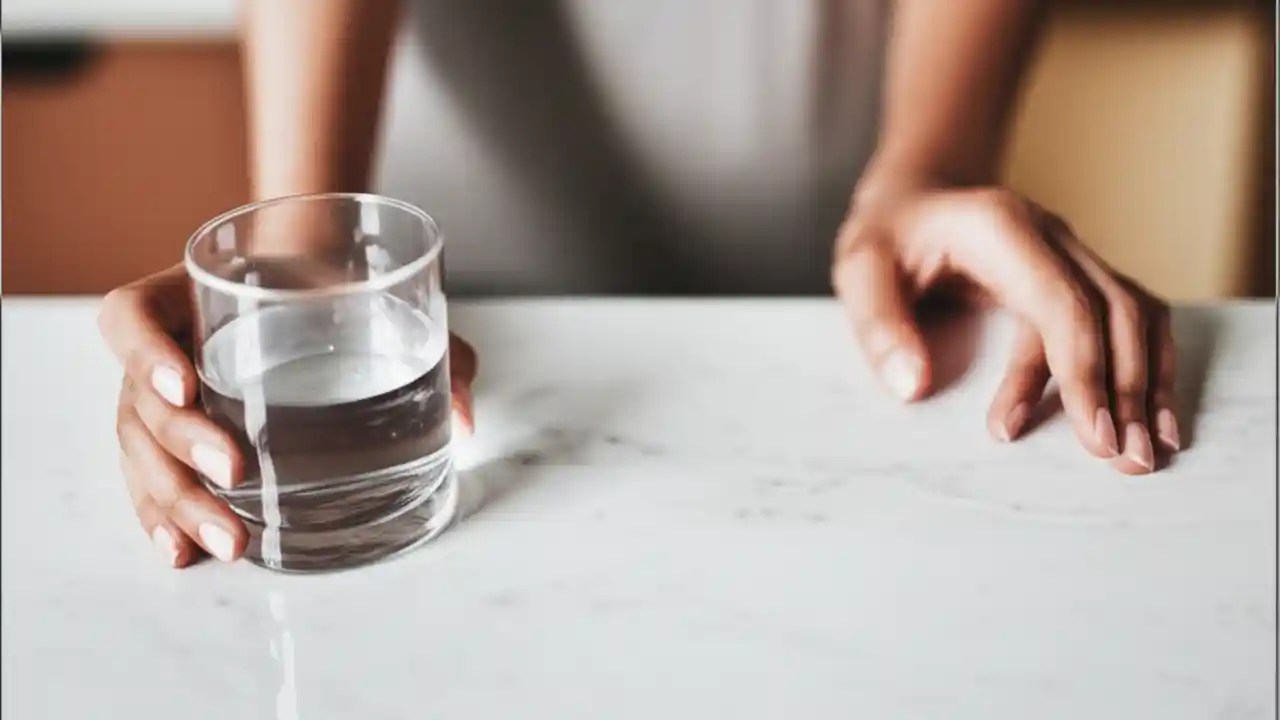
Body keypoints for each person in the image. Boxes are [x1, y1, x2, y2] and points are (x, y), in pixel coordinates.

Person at [98, 0, 1180, 568]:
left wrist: (929, 166)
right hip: (435, 300)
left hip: (824, 305)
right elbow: (306, 250)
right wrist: (297, 256)